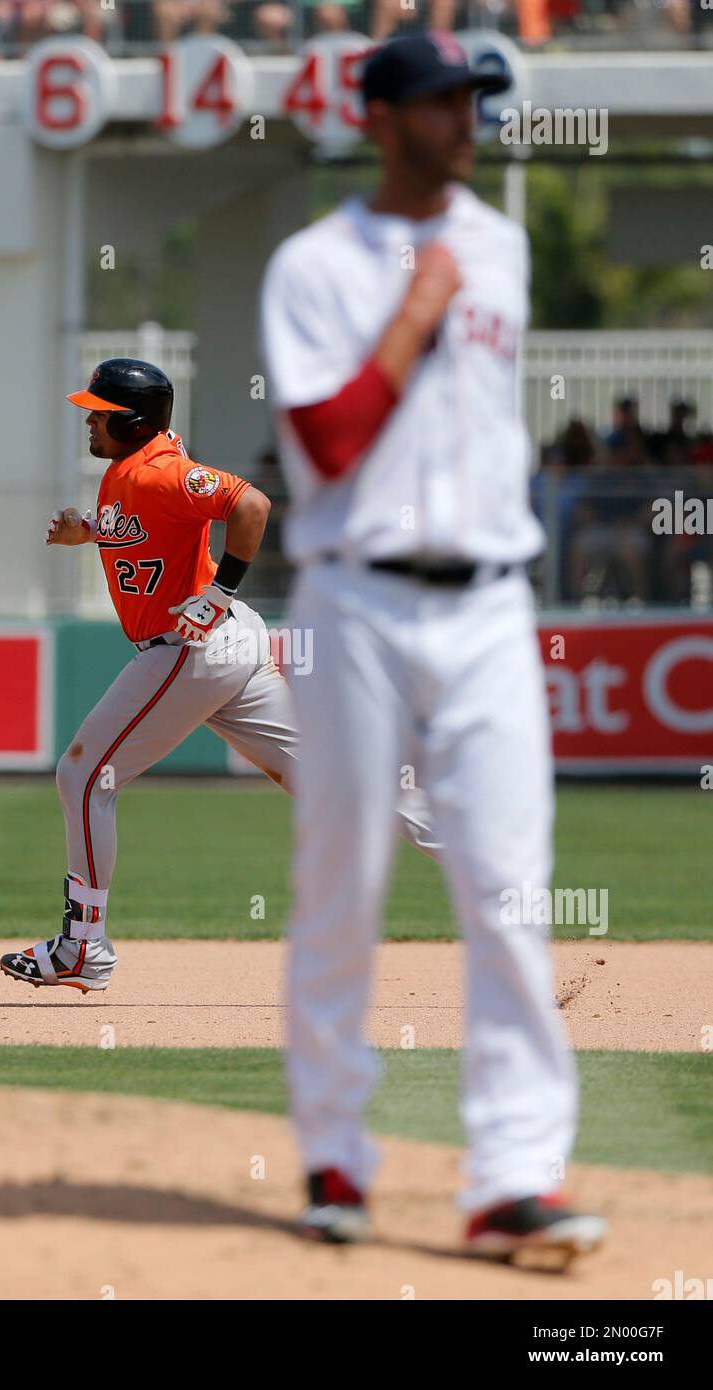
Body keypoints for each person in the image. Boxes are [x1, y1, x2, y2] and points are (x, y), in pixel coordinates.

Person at [260, 31, 607, 1261]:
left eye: (473, 97)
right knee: (338, 886)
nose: (464, 117)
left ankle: (514, 1174)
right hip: (354, 597)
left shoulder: (501, 244)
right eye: (439, 99)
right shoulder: (312, 265)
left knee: (508, 887)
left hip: (490, 601)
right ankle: (336, 1160)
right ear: (378, 118)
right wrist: (413, 312)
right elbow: (331, 444)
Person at [0, 358, 439, 993]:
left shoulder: (161, 470)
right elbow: (146, 528)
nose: (88, 421)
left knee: (84, 773)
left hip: (190, 643)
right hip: (221, 650)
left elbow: (252, 505)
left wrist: (222, 591)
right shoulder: (127, 475)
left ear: (133, 421)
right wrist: (90, 531)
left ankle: (82, 946)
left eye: (98, 412)